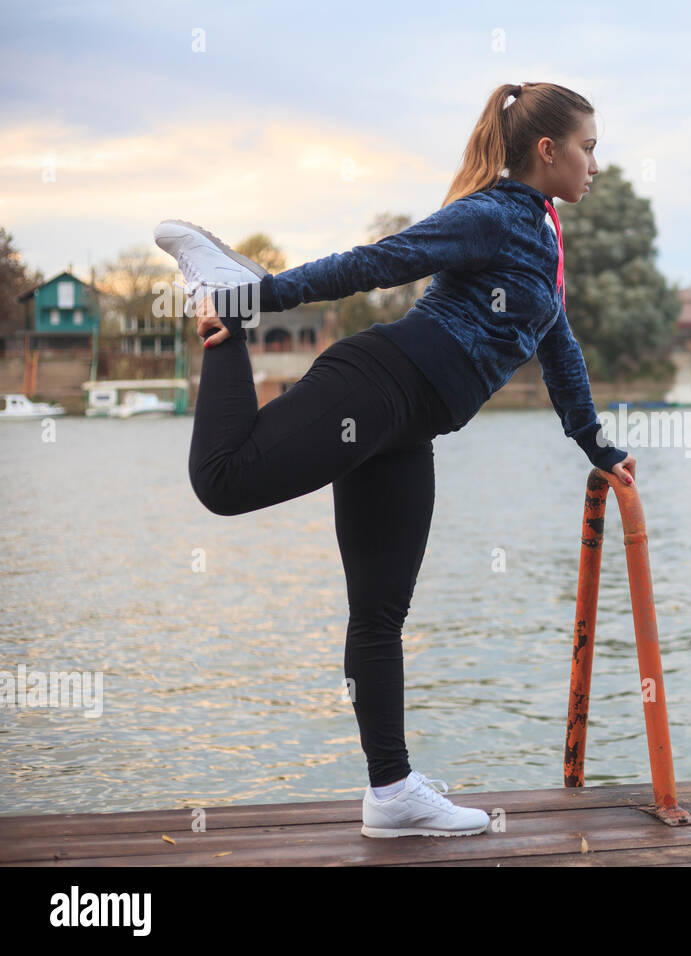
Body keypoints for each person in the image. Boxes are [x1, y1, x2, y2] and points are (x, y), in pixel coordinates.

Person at [154, 81, 634, 839]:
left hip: (409, 427)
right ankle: (226, 304)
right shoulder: (490, 214)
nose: (597, 164)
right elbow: (382, 261)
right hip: (379, 386)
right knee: (223, 481)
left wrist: (595, 441)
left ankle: (393, 792)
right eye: (590, 147)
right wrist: (261, 298)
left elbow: (558, 342)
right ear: (548, 150)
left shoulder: (539, 232)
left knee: (380, 613)